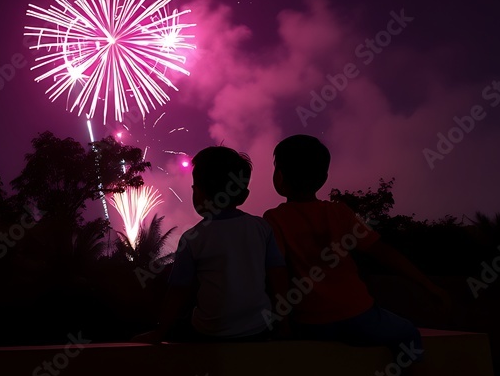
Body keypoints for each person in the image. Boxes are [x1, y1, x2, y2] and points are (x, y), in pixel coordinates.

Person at [263, 134, 451, 360]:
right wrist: (429, 287)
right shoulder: (339, 213)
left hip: (308, 322)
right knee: (409, 333)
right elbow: (383, 252)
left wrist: (282, 322)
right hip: (358, 316)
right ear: (323, 178)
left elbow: (277, 273)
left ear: (279, 177)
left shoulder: (274, 219)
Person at [133, 146, 288, 343]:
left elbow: (178, 291)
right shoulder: (261, 228)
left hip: (210, 332)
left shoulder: (192, 238)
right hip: (259, 328)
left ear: (198, 193)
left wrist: (160, 332)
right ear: (244, 195)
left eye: (194, 189)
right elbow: (278, 276)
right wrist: (284, 324)